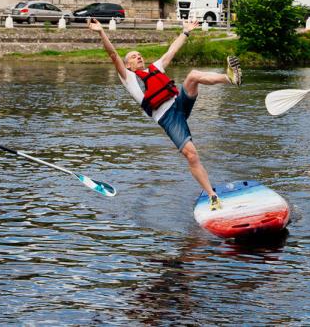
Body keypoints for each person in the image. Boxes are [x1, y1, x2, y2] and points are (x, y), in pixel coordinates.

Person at [90, 17, 242, 210]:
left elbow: (172, 50)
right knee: (192, 155)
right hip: (167, 118)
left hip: (179, 103)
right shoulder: (129, 78)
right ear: (128, 65)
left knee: (193, 76)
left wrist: (185, 31)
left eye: (139, 55)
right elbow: (113, 54)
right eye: (134, 57)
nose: (139, 57)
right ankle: (213, 197)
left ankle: (230, 78)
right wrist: (101, 32)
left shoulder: (155, 68)